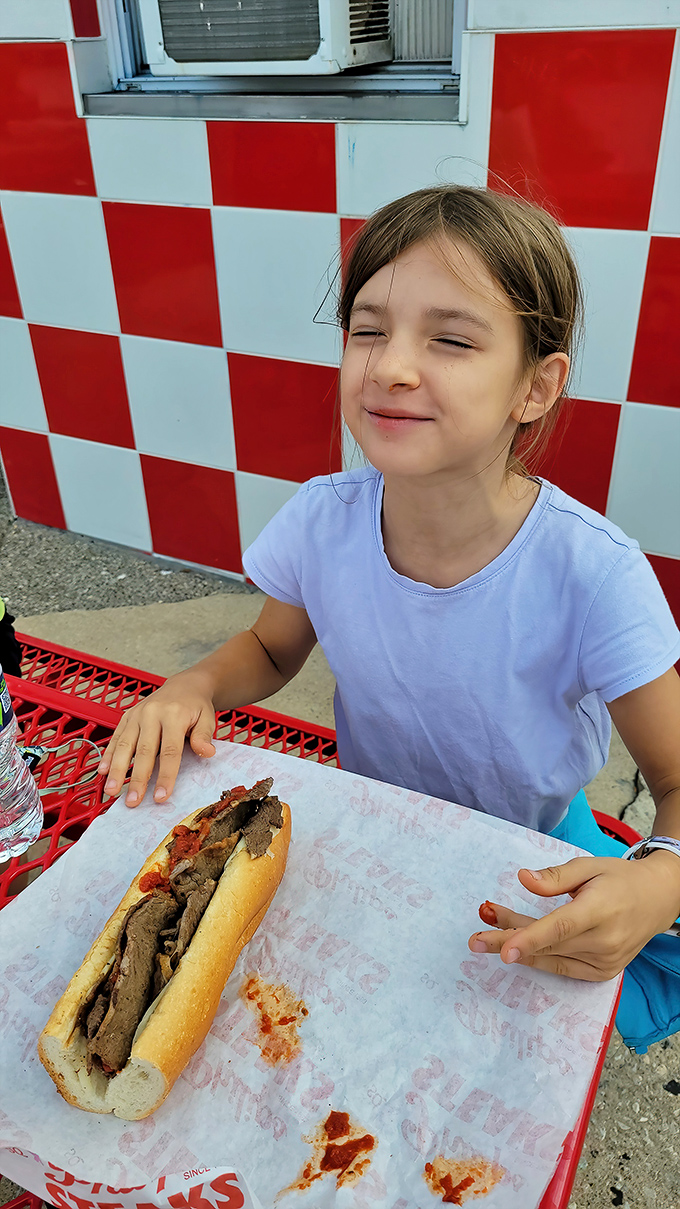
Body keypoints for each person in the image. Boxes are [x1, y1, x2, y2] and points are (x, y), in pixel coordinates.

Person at [99, 185, 680, 1052]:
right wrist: (195, 682)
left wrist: (661, 877)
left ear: (536, 385)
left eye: (450, 339)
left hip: (524, 858)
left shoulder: (592, 574)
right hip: (366, 833)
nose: (391, 366)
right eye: (368, 330)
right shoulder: (321, 520)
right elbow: (269, 645)